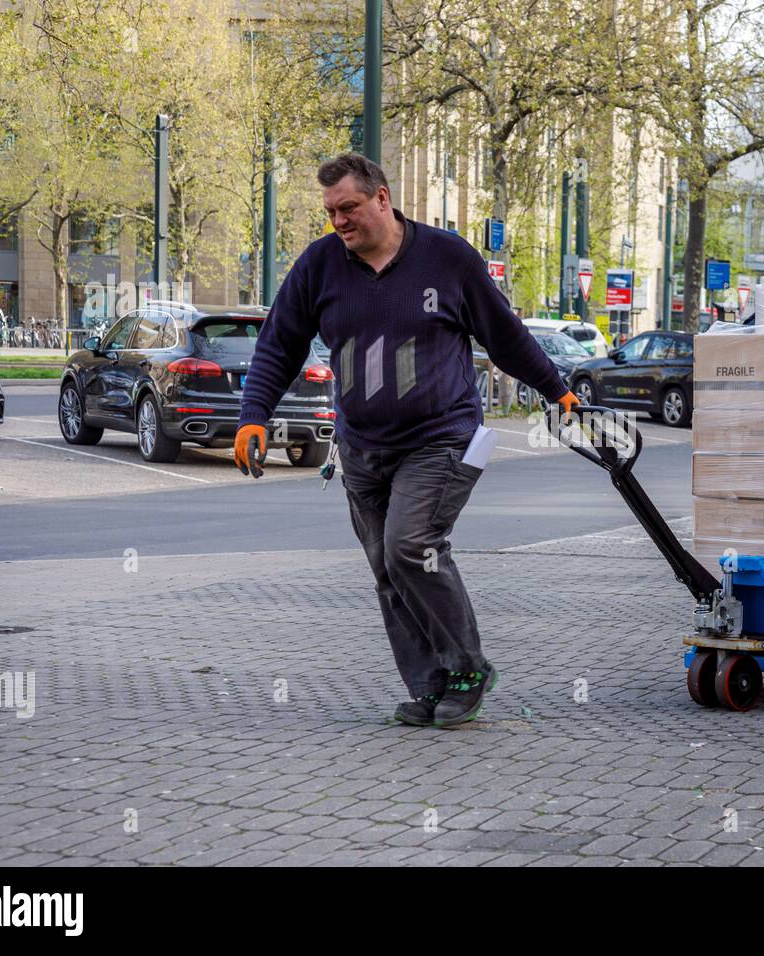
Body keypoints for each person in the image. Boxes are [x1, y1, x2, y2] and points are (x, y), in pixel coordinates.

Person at [234, 152, 579, 729]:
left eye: (349, 208)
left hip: (441, 438)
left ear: (382, 199)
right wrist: (253, 415)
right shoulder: (320, 266)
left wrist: (556, 390)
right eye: (331, 212)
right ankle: (429, 685)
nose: (339, 221)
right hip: (363, 448)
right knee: (387, 569)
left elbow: (506, 336)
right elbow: (278, 344)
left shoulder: (447, 259)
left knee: (410, 545)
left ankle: (468, 668)